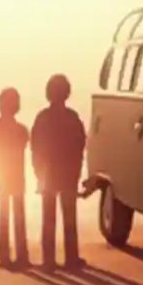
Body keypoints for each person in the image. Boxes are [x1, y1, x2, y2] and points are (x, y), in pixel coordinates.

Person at [31, 74, 87, 270]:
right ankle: (71, 258)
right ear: (67, 93)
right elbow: (80, 145)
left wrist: (37, 171)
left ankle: (49, 260)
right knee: (69, 217)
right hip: (68, 172)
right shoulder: (72, 117)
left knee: (48, 217)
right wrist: (78, 170)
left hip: (48, 172)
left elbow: (35, 147)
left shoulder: (42, 117)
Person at [0, 87, 30, 268]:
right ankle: (19, 254)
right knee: (16, 213)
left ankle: (5, 254)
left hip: (5, 174)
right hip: (13, 173)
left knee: (5, 214)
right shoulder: (20, 130)